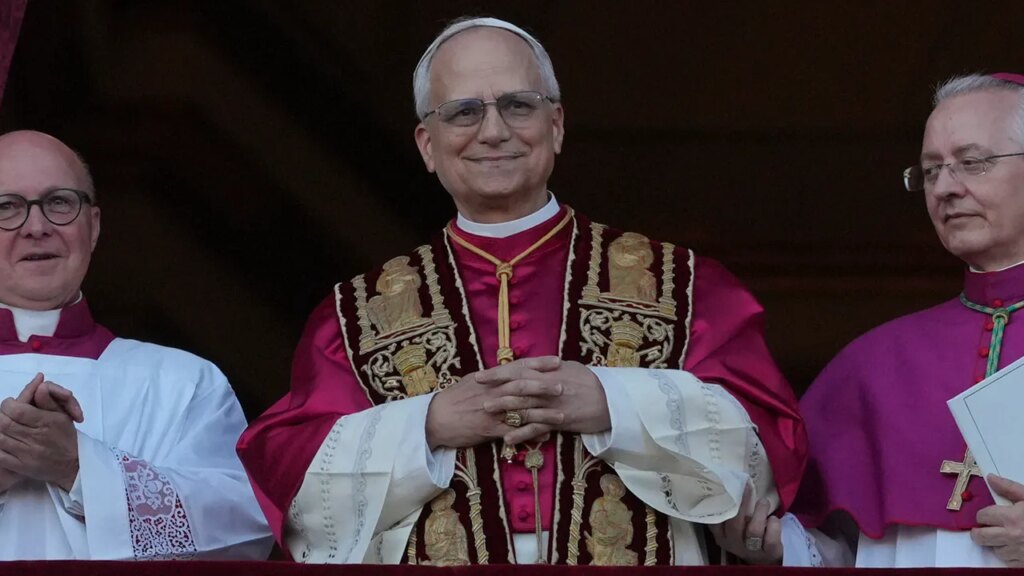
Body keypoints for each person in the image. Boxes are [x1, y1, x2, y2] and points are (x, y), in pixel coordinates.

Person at [237, 17, 806, 566]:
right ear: (427, 145)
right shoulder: (356, 315)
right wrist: (427, 424)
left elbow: (771, 446)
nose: (493, 131)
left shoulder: (682, 285)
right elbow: (292, 484)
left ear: (556, 125)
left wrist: (613, 402)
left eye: (517, 105)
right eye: (463, 112)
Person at [717, 72, 1024, 568]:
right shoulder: (876, 362)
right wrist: (776, 545)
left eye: (972, 163)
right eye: (931, 171)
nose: (946, 188)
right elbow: (840, 548)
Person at [0, 130, 273, 559]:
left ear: (93, 227)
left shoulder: (185, 382)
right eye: (7, 207)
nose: (37, 227)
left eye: (60, 203)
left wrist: (78, 466)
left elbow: (245, 533)